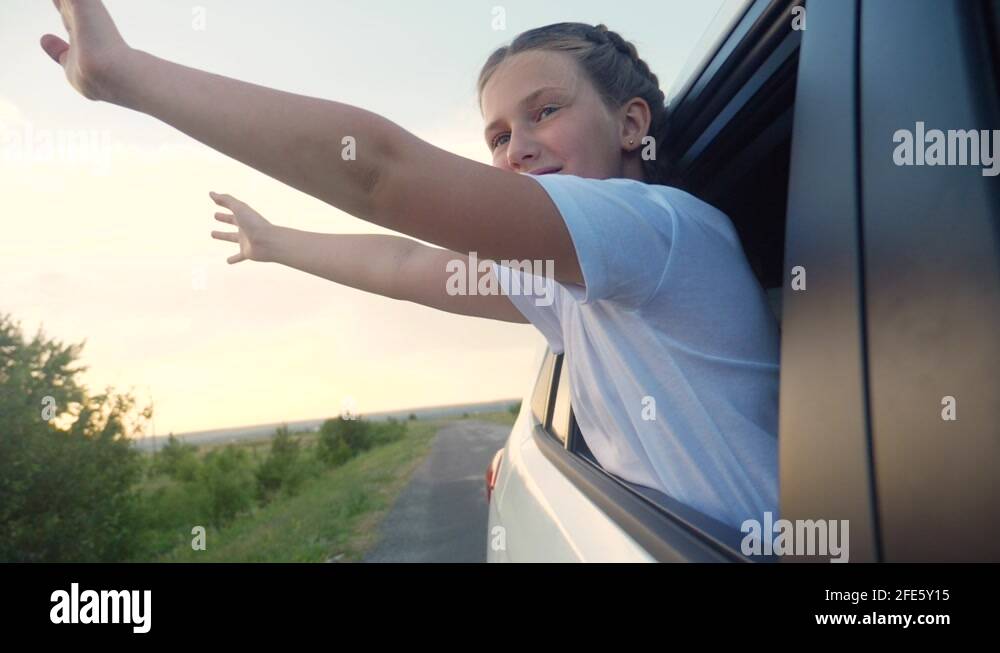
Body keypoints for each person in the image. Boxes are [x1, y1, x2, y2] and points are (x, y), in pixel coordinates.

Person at [41, 3, 779, 530]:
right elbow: (406, 261)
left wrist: (126, 76)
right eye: (497, 134)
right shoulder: (579, 286)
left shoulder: (655, 227)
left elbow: (381, 174)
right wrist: (276, 242)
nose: (516, 147)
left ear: (630, 124)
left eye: (544, 111)